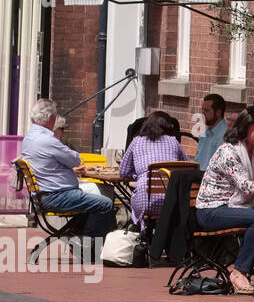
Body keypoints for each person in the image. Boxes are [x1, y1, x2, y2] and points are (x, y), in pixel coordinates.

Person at [195, 106, 254, 295]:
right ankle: (239, 271)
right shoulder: (229, 152)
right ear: (245, 128)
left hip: (236, 207)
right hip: (212, 210)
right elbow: (246, 186)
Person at [20, 98, 117, 239]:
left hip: (45, 195)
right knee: (105, 204)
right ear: (50, 118)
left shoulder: (29, 138)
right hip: (57, 196)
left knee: (95, 199)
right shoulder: (47, 140)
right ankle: (86, 243)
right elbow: (75, 160)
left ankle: (76, 234)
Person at [117, 110, 188, 231]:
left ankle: (144, 233)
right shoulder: (174, 142)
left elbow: (123, 171)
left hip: (146, 203)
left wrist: (137, 174)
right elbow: (186, 167)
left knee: (137, 199)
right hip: (172, 203)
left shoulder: (136, 141)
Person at [194, 93, 227, 169]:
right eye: (202, 109)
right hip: (198, 176)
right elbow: (198, 158)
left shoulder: (224, 135)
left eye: (206, 110)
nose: (202, 113)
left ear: (218, 113)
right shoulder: (205, 131)